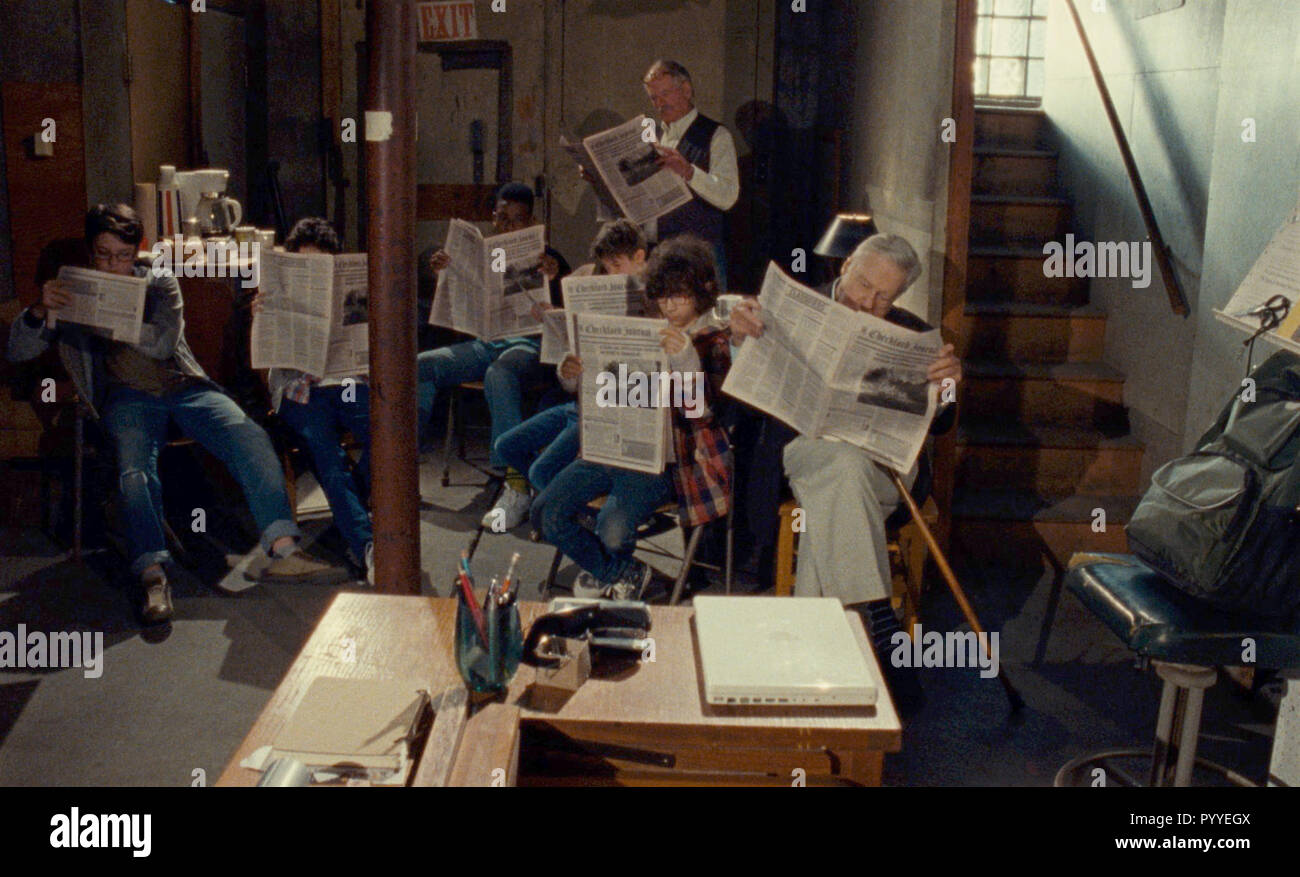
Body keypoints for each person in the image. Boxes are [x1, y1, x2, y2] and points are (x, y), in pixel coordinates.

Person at [7, 204, 343, 624]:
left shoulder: (160, 280)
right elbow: (17, 350)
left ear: (139, 250)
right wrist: (39, 312)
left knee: (249, 434)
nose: (114, 265)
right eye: (104, 255)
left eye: (123, 256)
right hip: (126, 398)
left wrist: (115, 319)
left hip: (183, 386)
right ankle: (152, 573)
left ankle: (282, 548)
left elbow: (164, 344)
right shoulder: (71, 289)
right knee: (134, 466)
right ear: (90, 252)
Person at [729, 233, 961, 646]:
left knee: (841, 479)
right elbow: (744, 409)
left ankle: (845, 633)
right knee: (839, 468)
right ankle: (870, 617)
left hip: (885, 471)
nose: (869, 303)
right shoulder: (785, 312)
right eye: (864, 285)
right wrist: (740, 345)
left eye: (885, 298)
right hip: (802, 458)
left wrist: (947, 394)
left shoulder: (914, 335)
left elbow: (942, 426)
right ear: (847, 264)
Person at [533, 235, 731, 600]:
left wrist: (685, 360)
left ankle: (610, 571)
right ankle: (623, 573)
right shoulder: (646, 325)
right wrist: (572, 374)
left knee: (612, 526)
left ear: (701, 292)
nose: (669, 306)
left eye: (680, 296)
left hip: (667, 463)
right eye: (663, 296)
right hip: (610, 446)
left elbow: (702, 416)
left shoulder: (711, 341)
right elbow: (602, 393)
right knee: (545, 511)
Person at [418, 182, 571, 530]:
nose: (507, 227)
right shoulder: (481, 253)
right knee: (422, 366)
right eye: (501, 219)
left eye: (516, 221)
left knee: (500, 374)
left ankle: (515, 485)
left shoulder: (550, 257)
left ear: (530, 221)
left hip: (528, 347)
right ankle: (403, 466)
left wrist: (556, 277)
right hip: (484, 343)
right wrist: (442, 271)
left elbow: (569, 316)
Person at [490, 220, 648, 513]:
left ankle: (577, 515)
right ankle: (572, 510)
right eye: (606, 266)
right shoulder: (591, 278)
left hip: (616, 408)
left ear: (639, 258)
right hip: (580, 401)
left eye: (616, 265)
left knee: (540, 473)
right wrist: (566, 362)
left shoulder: (652, 294)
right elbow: (571, 370)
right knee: (506, 446)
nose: (610, 274)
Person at [259, 218, 373, 582]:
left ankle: (351, 501)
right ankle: (366, 543)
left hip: (345, 381)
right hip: (299, 388)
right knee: (326, 453)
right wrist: (261, 319)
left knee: (386, 435)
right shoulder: (275, 292)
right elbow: (265, 360)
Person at [641, 59, 740, 291]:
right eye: (653, 98)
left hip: (699, 259)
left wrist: (689, 172)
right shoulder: (651, 136)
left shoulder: (716, 135)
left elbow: (728, 196)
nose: (659, 104)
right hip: (657, 255)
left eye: (665, 94)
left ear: (686, 90)